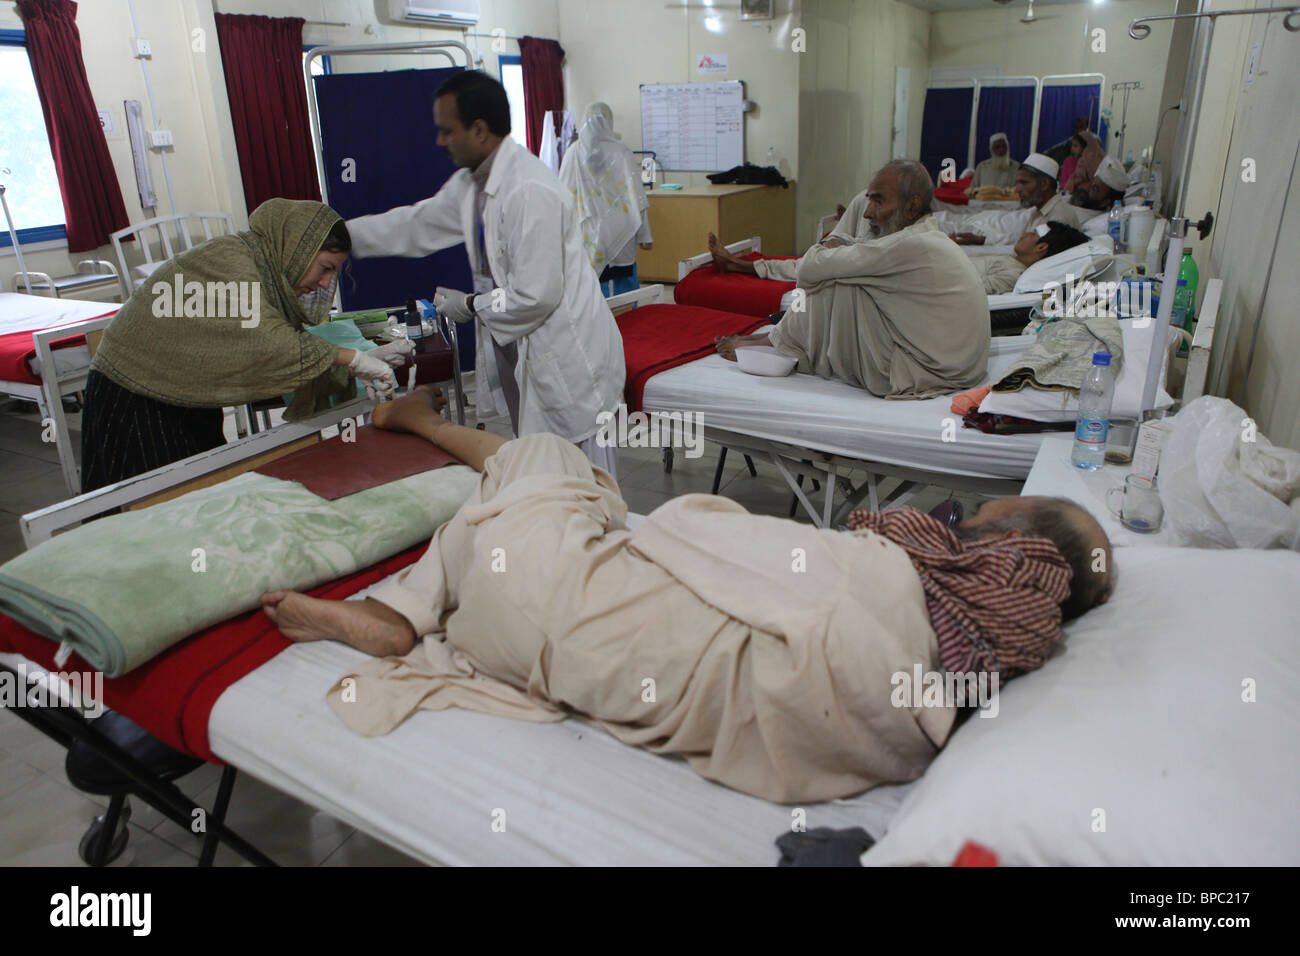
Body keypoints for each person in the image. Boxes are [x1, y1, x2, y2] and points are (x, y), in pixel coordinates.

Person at [261, 386, 1113, 803]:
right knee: (539, 510)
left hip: (548, 606)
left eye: (983, 516)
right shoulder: (949, 681)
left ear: (1002, 545)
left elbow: (685, 528)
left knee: (548, 461)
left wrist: (646, 528)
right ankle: (417, 598)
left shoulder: (886, 574)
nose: (958, 517)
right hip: (552, 659)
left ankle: (409, 497)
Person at [345, 71, 625, 478]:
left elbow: (536, 296)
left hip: (570, 356)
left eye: (447, 131)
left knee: (584, 479)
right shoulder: (474, 183)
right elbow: (417, 225)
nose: (440, 141)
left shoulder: (528, 189)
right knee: (542, 470)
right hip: (528, 344)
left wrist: (471, 304)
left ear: (478, 130)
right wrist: (343, 236)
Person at [81, 198, 406, 493]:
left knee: (200, 495)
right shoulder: (234, 263)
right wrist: (354, 359)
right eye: (325, 268)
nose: (325, 284)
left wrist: (354, 365)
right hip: (134, 397)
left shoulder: (265, 273)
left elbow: (269, 358)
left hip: (186, 395)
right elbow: (271, 345)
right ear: (298, 249)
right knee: (150, 509)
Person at [709, 160, 989, 399]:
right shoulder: (922, 237)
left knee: (835, 281)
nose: (867, 212)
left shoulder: (907, 245)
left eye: (878, 201)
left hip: (926, 371)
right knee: (840, 272)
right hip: (956, 365)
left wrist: (835, 244)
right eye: (869, 200)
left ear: (913, 206)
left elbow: (808, 269)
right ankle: (773, 339)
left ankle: (774, 343)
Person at [558, 102, 653, 297]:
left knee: (594, 287)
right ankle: (631, 321)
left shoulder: (572, 153)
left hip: (588, 233)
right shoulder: (621, 152)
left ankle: (601, 325)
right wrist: (645, 235)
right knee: (625, 283)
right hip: (622, 231)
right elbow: (638, 199)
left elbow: (562, 196)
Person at [971, 222, 1091, 294]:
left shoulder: (1012, 274)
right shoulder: (1011, 262)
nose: (1025, 234)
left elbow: (973, 288)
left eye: (1033, 234)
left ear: (1041, 247)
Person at [1062, 130, 1107, 194]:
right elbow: (1064, 185)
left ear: (1085, 148)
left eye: (1075, 146)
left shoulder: (1095, 164)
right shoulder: (1068, 162)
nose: (1072, 149)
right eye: (1072, 145)